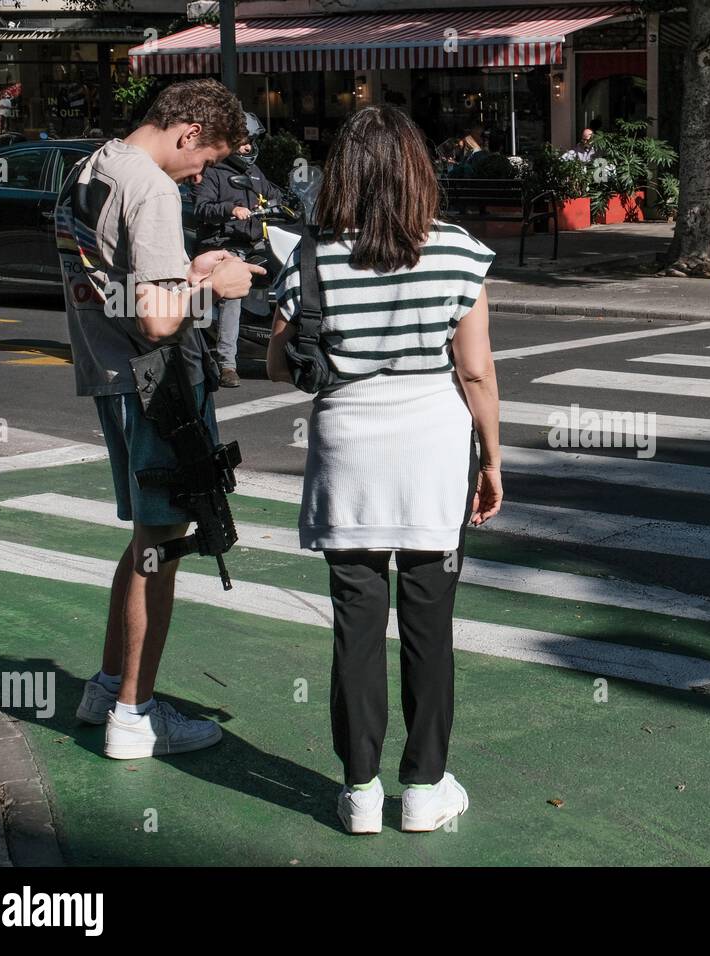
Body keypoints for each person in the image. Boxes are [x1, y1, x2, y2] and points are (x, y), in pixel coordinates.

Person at [266, 104, 503, 835]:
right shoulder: (459, 251)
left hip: (349, 448)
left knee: (355, 628)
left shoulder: (311, 255)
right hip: (433, 446)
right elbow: (475, 372)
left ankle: (360, 790)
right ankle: (425, 787)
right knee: (432, 627)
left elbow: (279, 362)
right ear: (417, 172)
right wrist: (492, 459)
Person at [56, 78, 263, 759]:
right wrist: (214, 281)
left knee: (147, 536)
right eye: (206, 157)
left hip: (113, 376)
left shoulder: (94, 167)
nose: (203, 172)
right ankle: (133, 715)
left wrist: (182, 268)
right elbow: (160, 316)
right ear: (186, 132)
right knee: (162, 548)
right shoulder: (150, 188)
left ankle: (110, 684)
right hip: (156, 385)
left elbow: (123, 280)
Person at [193, 111, 285, 387]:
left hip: (256, 245)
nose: (247, 148)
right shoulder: (213, 173)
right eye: (242, 142)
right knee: (233, 294)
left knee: (291, 276)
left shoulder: (253, 173)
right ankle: (227, 364)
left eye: (250, 142)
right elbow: (201, 208)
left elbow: (274, 195)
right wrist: (230, 209)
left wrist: (292, 201)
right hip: (224, 247)